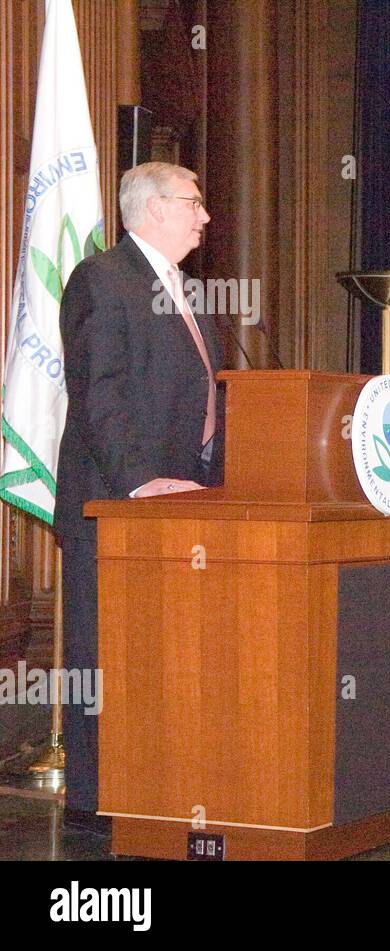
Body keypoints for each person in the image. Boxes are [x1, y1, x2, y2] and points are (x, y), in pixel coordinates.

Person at [55, 162, 226, 834]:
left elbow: (204, 393)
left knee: (166, 655)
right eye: (194, 202)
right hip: (115, 504)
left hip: (182, 505)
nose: (205, 216)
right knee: (106, 652)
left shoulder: (187, 290)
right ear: (153, 208)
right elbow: (99, 390)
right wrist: (136, 480)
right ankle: (96, 803)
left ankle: (156, 784)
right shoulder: (104, 278)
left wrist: (215, 467)